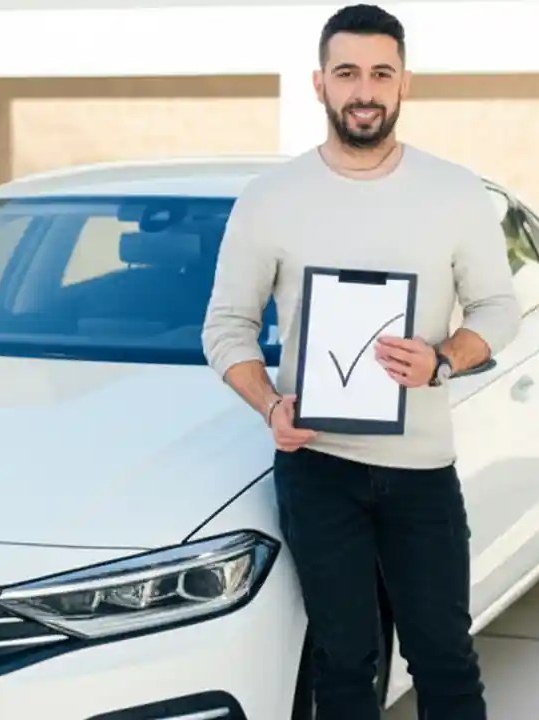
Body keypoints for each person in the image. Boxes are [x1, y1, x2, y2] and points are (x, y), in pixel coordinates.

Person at [202, 3, 521, 719]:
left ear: (405, 82)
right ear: (319, 83)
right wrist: (268, 404)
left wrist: (441, 359)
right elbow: (226, 327)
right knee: (343, 663)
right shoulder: (271, 199)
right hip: (318, 467)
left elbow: (499, 309)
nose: (365, 90)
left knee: (443, 656)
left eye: (381, 72)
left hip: (420, 473)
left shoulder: (453, 191)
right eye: (347, 73)